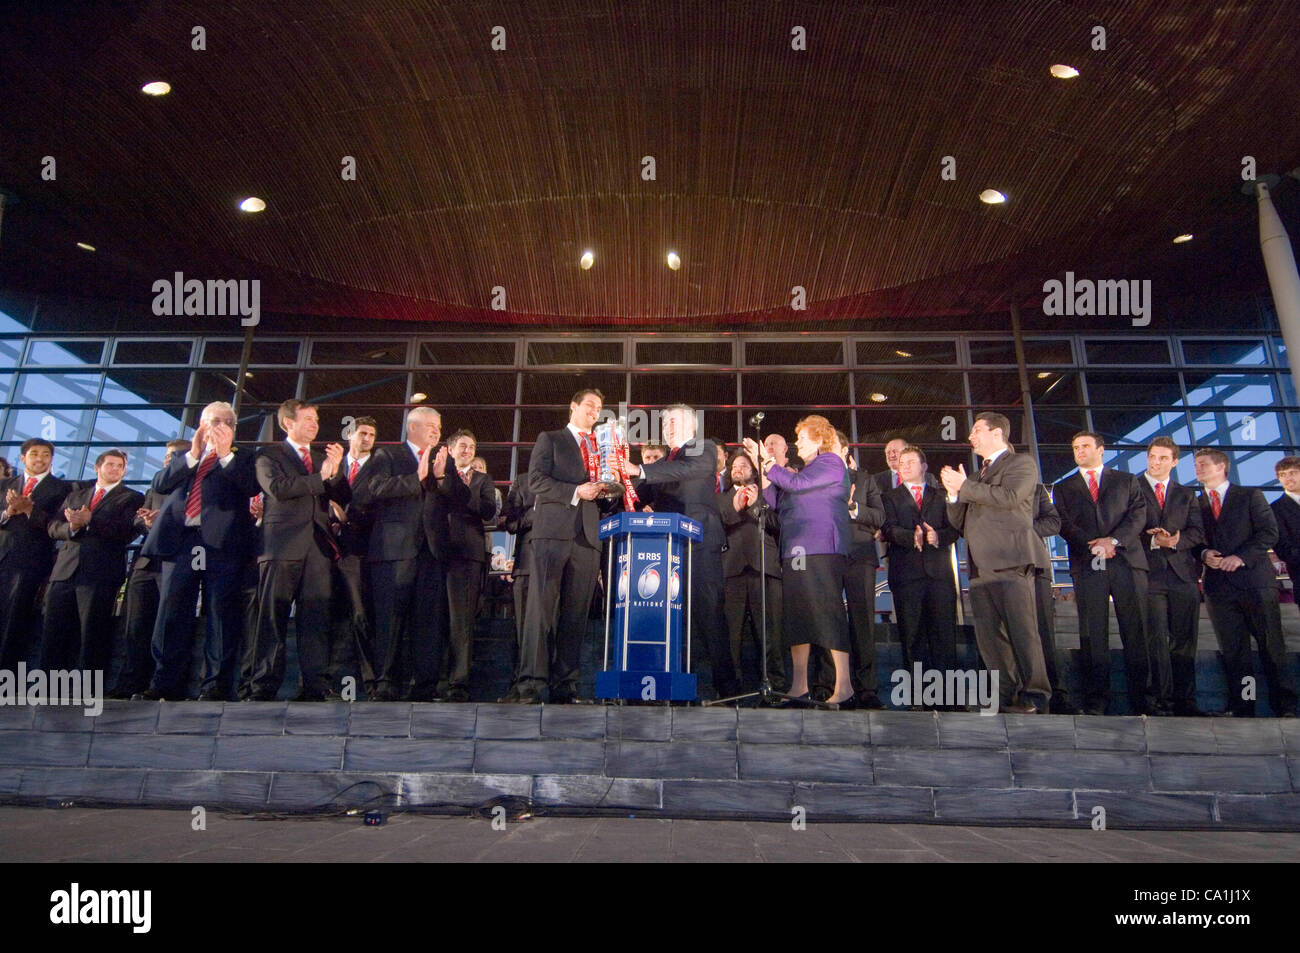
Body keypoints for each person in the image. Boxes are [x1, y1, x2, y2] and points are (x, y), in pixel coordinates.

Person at [140, 403, 259, 700]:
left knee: (220, 612)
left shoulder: (244, 457)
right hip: (181, 543)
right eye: (212, 421)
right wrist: (193, 455)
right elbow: (160, 484)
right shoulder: (184, 457)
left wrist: (223, 454)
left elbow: (250, 486)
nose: (218, 425)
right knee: (172, 610)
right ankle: (165, 682)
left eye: (225, 421)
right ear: (200, 425)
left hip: (223, 545)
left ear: (233, 428)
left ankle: (214, 685)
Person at [352, 405, 464, 701]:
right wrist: (416, 478)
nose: (437, 432)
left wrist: (441, 478)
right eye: (431, 426)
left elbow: (461, 500)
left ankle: (424, 685)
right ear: (413, 427)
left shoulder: (444, 459)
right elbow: (365, 490)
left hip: (432, 552)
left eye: (439, 427)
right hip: (393, 552)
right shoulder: (387, 456)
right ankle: (385, 682)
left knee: (428, 620)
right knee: (389, 618)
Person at [627, 404, 737, 700]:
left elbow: (688, 470)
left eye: (674, 421)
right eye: (664, 423)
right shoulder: (666, 461)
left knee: (709, 615)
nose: (668, 426)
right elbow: (641, 493)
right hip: (667, 549)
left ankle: (727, 691)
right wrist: (616, 485)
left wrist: (639, 469)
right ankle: (673, 688)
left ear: (692, 425)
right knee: (671, 620)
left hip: (699, 543)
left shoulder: (704, 448)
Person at [941, 412, 1050, 714]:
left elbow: (1011, 497)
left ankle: (1035, 695)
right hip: (979, 566)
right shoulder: (975, 478)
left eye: (977, 430)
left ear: (997, 433)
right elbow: (959, 521)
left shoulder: (1021, 464)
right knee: (990, 639)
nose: (971, 436)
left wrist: (965, 487)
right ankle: (1003, 694)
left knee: (1023, 632)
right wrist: (953, 495)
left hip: (1011, 560)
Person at [243, 399, 350, 701]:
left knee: (315, 619)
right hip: (280, 546)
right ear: (288, 423)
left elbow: (343, 495)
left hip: (317, 549)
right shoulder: (268, 454)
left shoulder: (320, 459)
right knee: (272, 618)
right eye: (308, 419)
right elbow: (279, 488)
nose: (315, 424)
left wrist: (337, 472)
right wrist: (321, 477)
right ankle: (262, 686)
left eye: (316, 419)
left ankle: (314, 686)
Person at [513, 388, 615, 703]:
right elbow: (537, 481)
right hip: (551, 534)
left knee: (576, 616)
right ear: (573, 407)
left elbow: (606, 491)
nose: (594, 412)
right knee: (540, 611)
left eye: (599, 408)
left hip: (587, 539)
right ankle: (530, 684)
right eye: (589, 405)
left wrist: (610, 492)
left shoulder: (603, 447)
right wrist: (576, 491)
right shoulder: (551, 439)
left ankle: (565, 686)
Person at [745, 415, 853, 707]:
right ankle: (799, 686)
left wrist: (769, 464)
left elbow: (796, 484)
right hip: (795, 550)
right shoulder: (803, 471)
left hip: (822, 548)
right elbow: (775, 501)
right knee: (798, 617)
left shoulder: (830, 462)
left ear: (819, 439)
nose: (797, 443)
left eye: (803, 438)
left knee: (827, 614)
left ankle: (843, 686)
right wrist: (764, 472)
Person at [1053, 431, 1150, 715]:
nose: (1079, 451)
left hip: (1126, 563)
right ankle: (1097, 700)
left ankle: (1141, 700)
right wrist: (1092, 545)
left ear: (1101, 449)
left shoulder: (1126, 481)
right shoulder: (1063, 487)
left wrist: (1113, 541)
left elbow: (1138, 516)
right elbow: (1064, 523)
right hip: (1088, 563)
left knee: (1136, 631)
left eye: (1084, 446)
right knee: (1092, 634)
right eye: (1075, 447)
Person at [1194, 448, 1296, 717]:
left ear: (1221, 467)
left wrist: (1240, 557)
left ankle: (1284, 706)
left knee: (1271, 646)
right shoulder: (1194, 503)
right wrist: (1204, 554)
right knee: (1235, 651)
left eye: (1203, 464)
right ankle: (1243, 705)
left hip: (1254, 582)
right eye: (1196, 465)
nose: (1198, 469)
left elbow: (1268, 533)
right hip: (1218, 588)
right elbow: (1194, 541)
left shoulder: (1250, 495)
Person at [39, 450, 144, 672]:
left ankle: (86, 687)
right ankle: (48, 683)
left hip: (100, 574)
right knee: (53, 629)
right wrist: (73, 527)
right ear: (97, 468)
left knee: (92, 632)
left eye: (120, 466)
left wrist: (91, 521)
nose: (115, 469)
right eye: (110, 464)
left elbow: (127, 532)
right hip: (65, 571)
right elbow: (53, 527)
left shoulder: (132, 498)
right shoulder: (75, 496)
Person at [111, 439, 189, 698]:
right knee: (135, 625)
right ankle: (129, 683)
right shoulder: (156, 485)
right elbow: (135, 521)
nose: (169, 460)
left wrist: (167, 520)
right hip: (146, 562)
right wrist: (146, 521)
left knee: (167, 625)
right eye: (167, 456)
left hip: (176, 561)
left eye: (175, 456)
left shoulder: (193, 485)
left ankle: (161, 684)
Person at [881, 446, 959, 693]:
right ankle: (918, 694)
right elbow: (887, 529)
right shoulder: (889, 497)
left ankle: (949, 696)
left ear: (924, 467)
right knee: (912, 636)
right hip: (906, 575)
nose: (904, 465)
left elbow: (955, 528)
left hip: (939, 576)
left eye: (910, 461)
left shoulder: (941, 495)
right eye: (901, 462)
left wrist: (938, 537)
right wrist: (909, 537)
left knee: (943, 635)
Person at [1141, 438, 1206, 716]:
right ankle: (1159, 700)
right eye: (1153, 457)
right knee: (1155, 641)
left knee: (1184, 641)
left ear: (1174, 462)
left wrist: (1177, 541)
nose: (1156, 462)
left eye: (1163, 458)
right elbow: (1126, 526)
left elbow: (1198, 531)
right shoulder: (1131, 487)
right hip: (1149, 574)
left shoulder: (1186, 494)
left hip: (1183, 576)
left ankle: (1185, 701)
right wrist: (1155, 542)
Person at [0, 438, 71, 671]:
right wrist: (8, 512)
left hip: (30, 562)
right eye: (34, 454)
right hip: (2, 554)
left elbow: (57, 526)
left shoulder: (62, 489)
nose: (40, 458)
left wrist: (30, 510)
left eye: (45, 455)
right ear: (23, 458)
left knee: (14, 618)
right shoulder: (5, 484)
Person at [718, 450, 785, 695]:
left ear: (754, 471)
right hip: (731, 573)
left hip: (764, 571)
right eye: (734, 465)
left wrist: (757, 505)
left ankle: (774, 688)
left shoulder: (767, 495)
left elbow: (779, 525)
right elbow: (715, 525)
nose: (738, 468)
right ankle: (730, 691)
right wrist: (735, 507)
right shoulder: (722, 498)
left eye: (744, 465)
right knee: (731, 635)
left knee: (770, 634)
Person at [327, 416, 378, 696]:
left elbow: (379, 507)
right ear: (350, 435)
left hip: (359, 551)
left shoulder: (379, 467)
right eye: (362, 433)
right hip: (325, 550)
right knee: (324, 617)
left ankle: (369, 682)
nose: (367, 438)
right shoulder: (335, 466)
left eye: (372, 434)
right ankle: (318, 683)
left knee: (360, 617)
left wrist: (349, 519)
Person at [838, 430, 886, 708]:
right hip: (827, 556)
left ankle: (867, 688)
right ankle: (835, 685)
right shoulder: (817, 478)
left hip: (860, 555)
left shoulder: (865, 479)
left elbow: (879, 516)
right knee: (831, 622)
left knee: (863, 622)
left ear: (845, 450)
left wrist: (855, 507)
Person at [1030, 484, 1075, 713]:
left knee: (1044, 635)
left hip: (1036, 570)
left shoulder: (1036, 490)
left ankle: (1057, 694)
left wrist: (1020, 525)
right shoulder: (985, 488)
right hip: (1000, 573)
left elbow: (1053, 522)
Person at [497, 469, 535, 701]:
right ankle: (519, 686)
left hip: (561, 566)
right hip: (526, 564)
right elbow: (509, 522)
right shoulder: (523, 481)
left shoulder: (571, 481)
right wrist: (536, 514)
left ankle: (556, 687)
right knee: (522, 629)